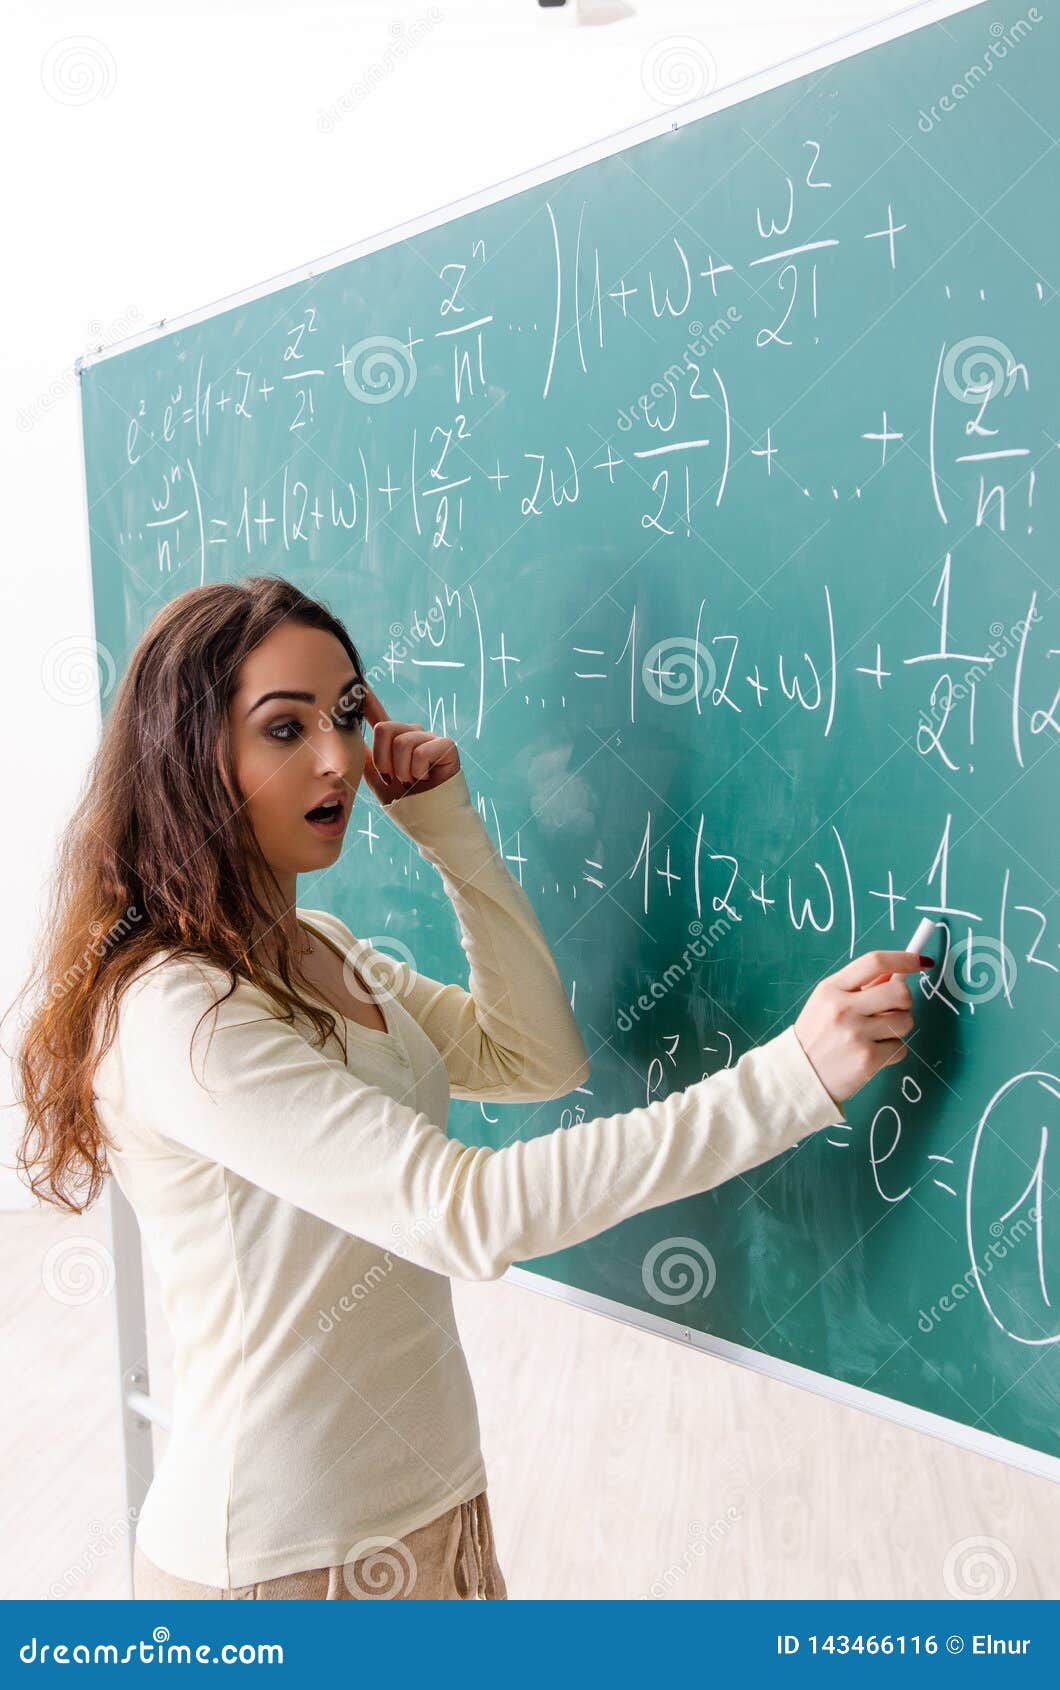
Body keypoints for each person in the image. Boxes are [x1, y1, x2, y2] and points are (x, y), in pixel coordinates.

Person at [8, 575, 928, 1601]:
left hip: (437, 1513)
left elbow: (536, 1055)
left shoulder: (319, 948)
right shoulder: (181, 1013)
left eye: (349, 713)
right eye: (284, 727)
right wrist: (791, 1079)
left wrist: (446, 826)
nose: (337, 757)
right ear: (189, 758)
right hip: (280, 1569)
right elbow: (462, 1211)